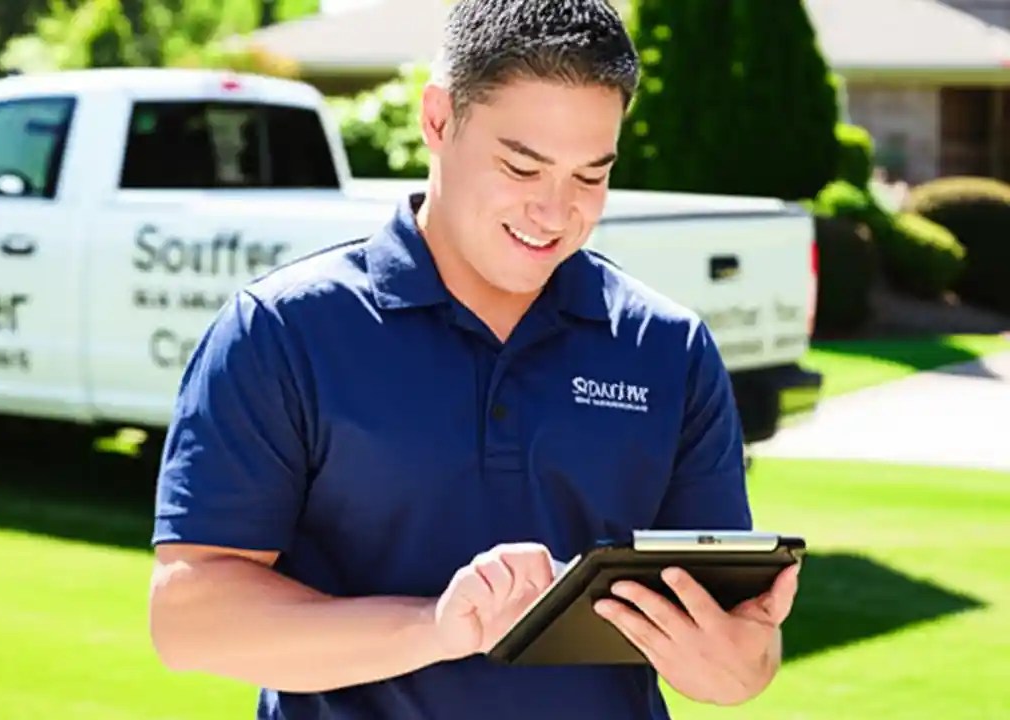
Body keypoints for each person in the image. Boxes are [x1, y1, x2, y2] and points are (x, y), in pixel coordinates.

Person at [147, 0, 801, 717]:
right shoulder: (282, 331)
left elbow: (740, 663)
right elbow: (190, 617)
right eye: (523, 167)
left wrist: (736, 662)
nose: (554, 213)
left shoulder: (666, 348)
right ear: (437, 119)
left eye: (590, 177)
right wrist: (434, 627)